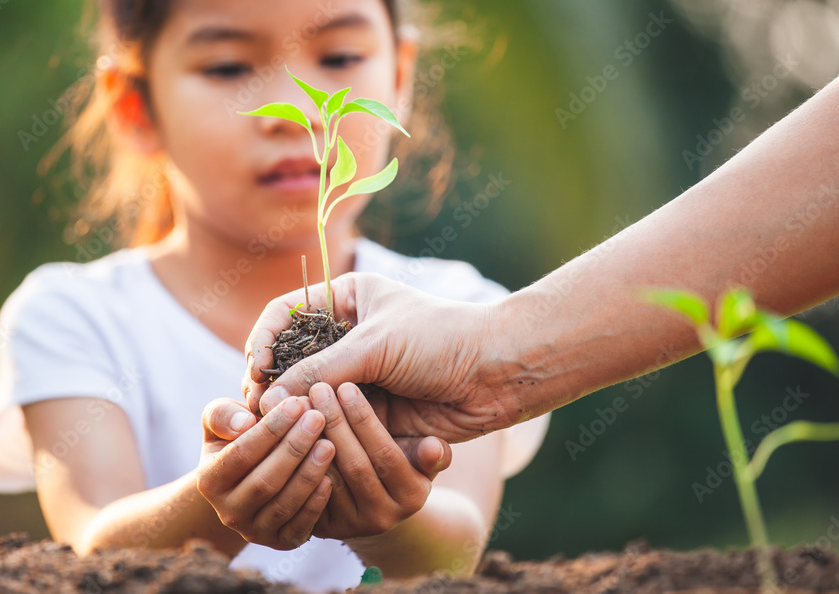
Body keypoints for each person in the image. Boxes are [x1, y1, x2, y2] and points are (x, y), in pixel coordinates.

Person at [0, 0, 550, 590]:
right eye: (229, 67)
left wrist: (391, 514)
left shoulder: (457, 312)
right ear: (135, 103)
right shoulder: (75, 317)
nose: (297, 112)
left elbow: (456, 544)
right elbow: (96, 545)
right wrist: (217, 500)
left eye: (341, 56)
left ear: (401, 75)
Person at [242, 74, 839, 444]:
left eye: (342, 57)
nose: (309, 114)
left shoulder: (453, 292)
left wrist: (490, 356)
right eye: (230, 68)